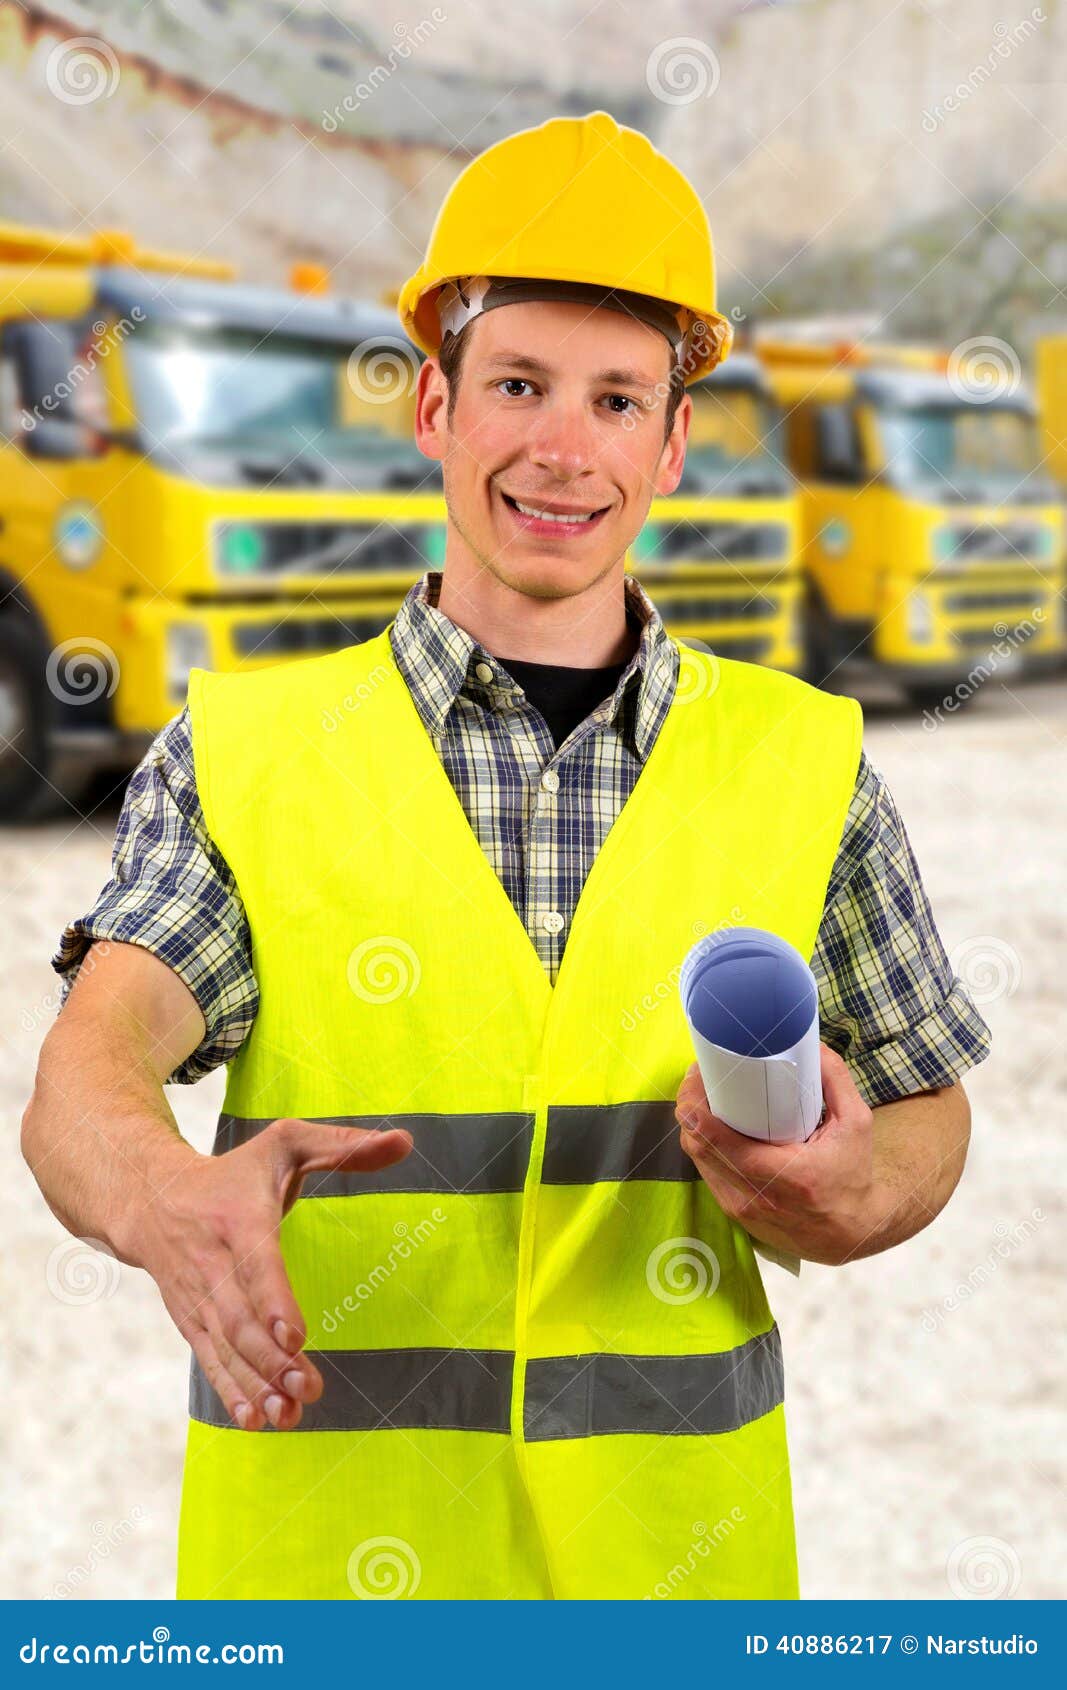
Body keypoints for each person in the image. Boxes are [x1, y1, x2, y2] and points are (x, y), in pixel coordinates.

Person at [23, 111, 990, 1601]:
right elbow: (97, 1057)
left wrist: (863, 1187)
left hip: (672, 1580)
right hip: (332, 1587)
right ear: (435, 408)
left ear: (672, 443)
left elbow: (927, 1105)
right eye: (521, 385)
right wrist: (160, 1193)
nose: (563, 446)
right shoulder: (247, 750)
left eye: (616, 400)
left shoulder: (804, 762)